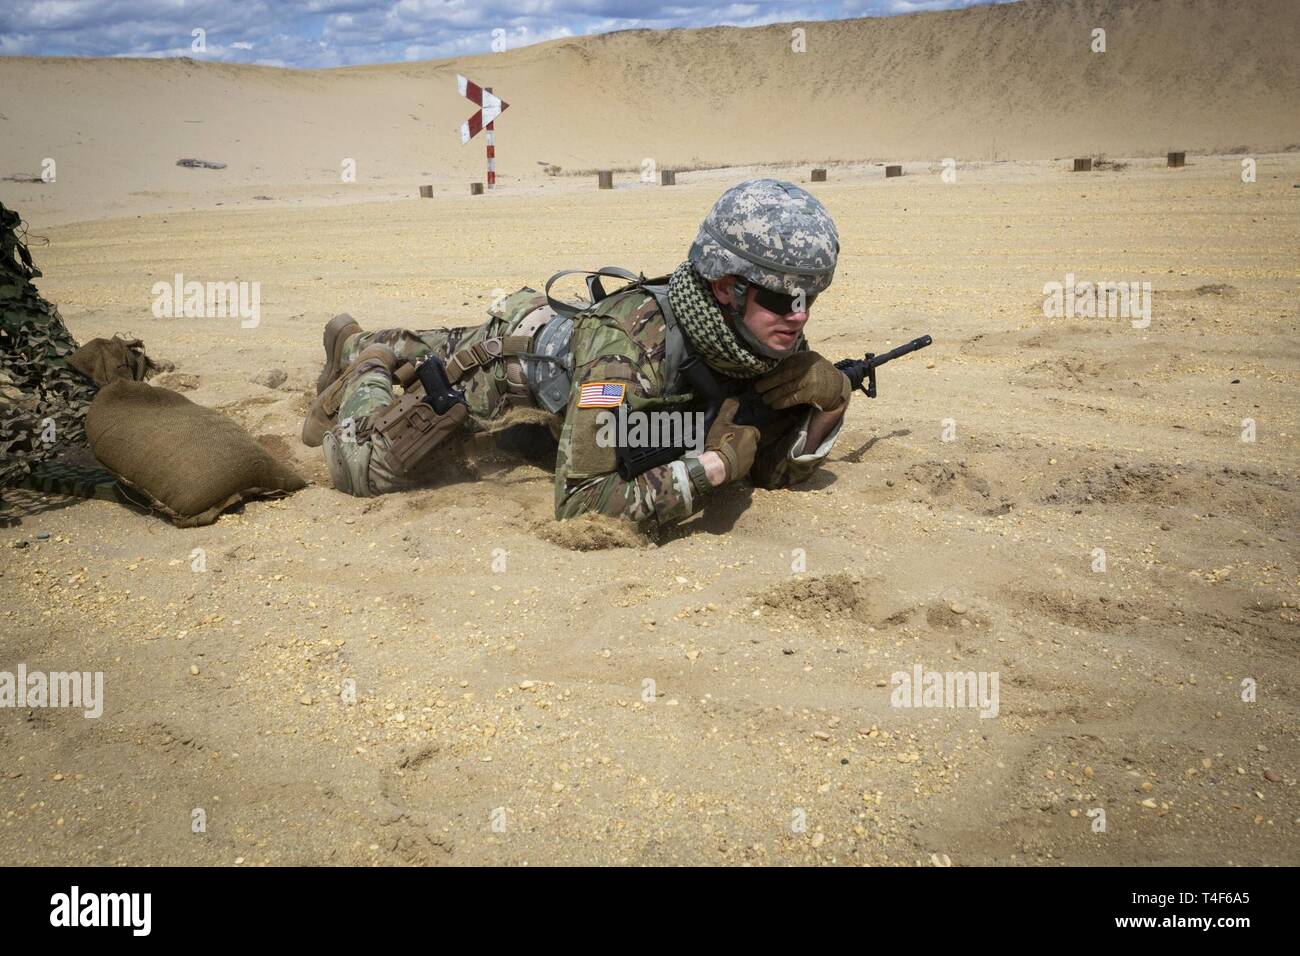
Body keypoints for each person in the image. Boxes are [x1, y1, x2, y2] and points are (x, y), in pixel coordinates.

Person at [302, 178, 851, 525]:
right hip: (501, 369)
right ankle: (362, 353)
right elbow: (582, 502)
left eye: (810, 297)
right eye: (782, 297)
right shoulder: (626, 350)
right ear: (726, 286)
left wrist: (831, 406)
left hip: (563, 399)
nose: (799, 315)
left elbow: (773, 469)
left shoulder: (761, 335)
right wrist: (711, 468)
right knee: (361, 466)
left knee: (426, 349)